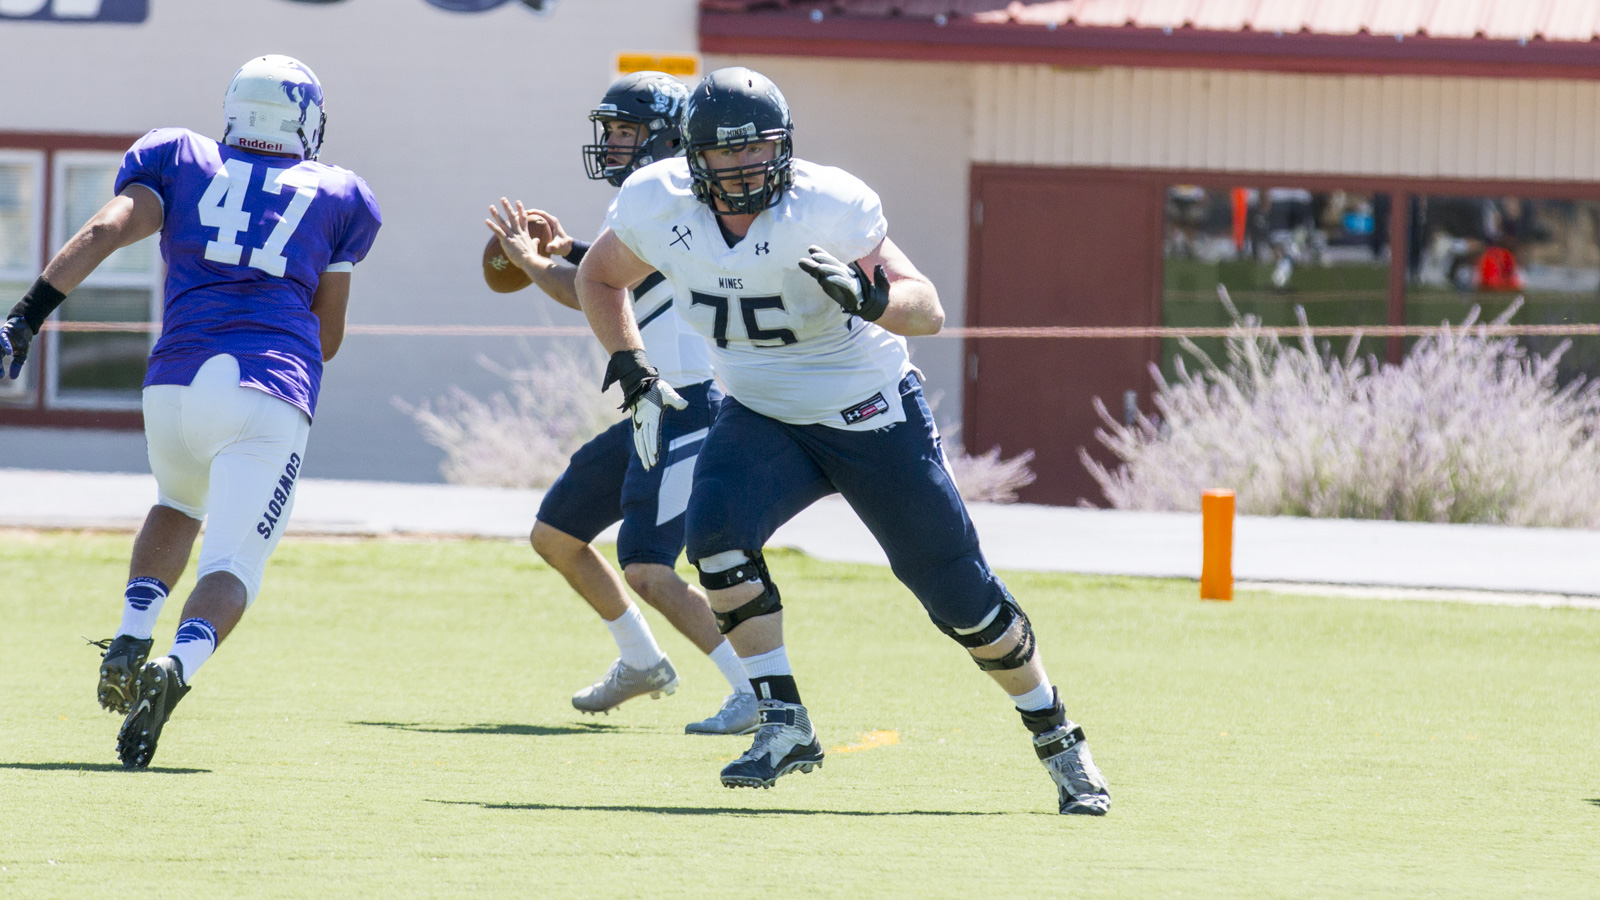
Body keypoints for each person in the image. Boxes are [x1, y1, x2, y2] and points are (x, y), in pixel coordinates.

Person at [572, 67, 1111, 814]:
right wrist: (630, 364)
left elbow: (928, 312)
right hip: (760, 409)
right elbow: (599, 278)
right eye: (724, 154)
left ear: (784, 147)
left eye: (757, 147)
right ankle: (784, 722)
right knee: (718, 543)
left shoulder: (826, 206)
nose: (742, 166)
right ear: (690, 156)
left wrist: (876, 297)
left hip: (868, 413)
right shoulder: (657, 203)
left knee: (962, 600)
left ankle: (1057, 734)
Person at [0, 55, 381, 768]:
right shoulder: (340, 194)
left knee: (177, 500)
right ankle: (173, 668)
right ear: (303, 121)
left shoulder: (179, 155)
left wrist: (24, 319)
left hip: (173, 385)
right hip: (268, 389)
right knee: (234, 564)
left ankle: (133, 628)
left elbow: (108, 229)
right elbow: (326, 340)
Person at [484, 71, 757, 735]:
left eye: (628, 130)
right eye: (610, 130)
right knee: (557, 535)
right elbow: (610, 275)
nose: (613, 143)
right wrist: (564, 251)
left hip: (685, 403)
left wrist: (530, 258)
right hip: (651, 403)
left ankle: (760, 691)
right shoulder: (663, 195)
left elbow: (585, 291)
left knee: (648, 568)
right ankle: (641, 661)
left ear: (666, 134)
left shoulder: (670, 195)